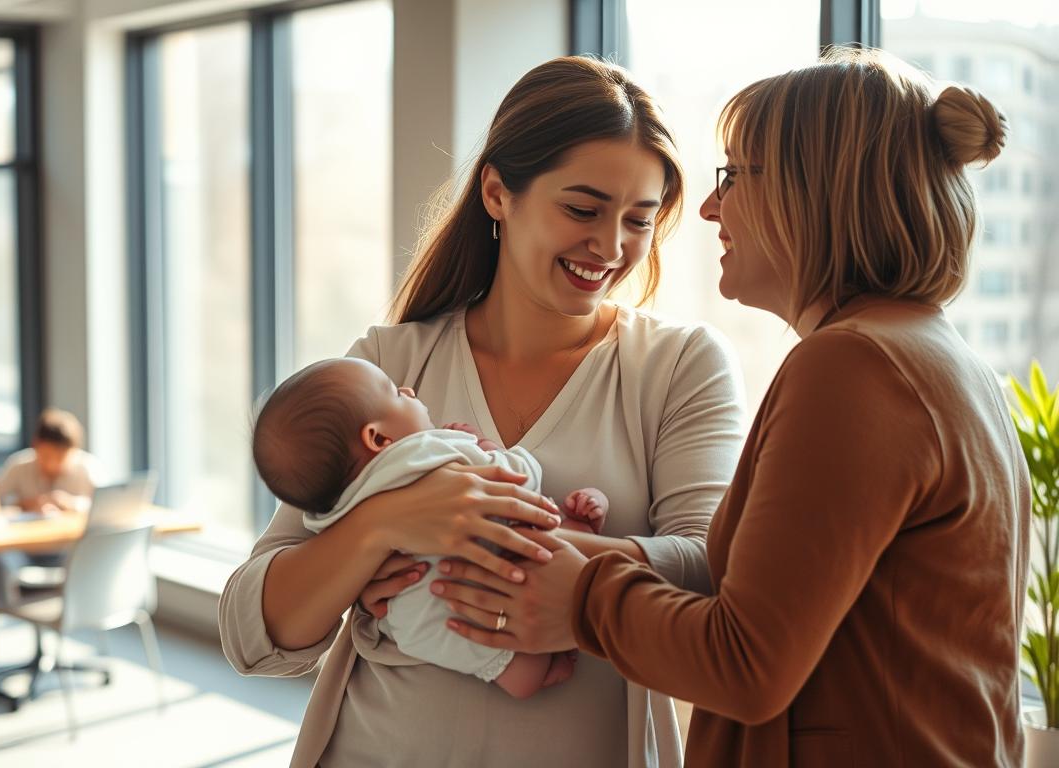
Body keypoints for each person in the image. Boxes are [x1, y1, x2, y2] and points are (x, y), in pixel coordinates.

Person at [438, 48, 1028, 766]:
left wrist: (583, 593)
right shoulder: (934, 359)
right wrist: (581, 557)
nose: (713, 207)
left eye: (734, 176)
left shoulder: (855, 367)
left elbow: (746, 665)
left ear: (814, 192)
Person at [220, 56, 747, 767]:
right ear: (498, 192)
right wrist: (383, 524)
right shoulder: (388, 365)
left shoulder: (678, 367)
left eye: (639, 221)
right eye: (583, 209)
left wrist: (543, 568)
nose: (611, 246)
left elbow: (711, 573)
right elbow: (252, 632)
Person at [252, 356, 605, 698]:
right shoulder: (424, 450)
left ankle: (529, 671)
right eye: (394, 392)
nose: (407, 390)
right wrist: (487, 448)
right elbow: (517, 483)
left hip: (417, 620)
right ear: (378, 440)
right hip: (500, 576)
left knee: (488, 652)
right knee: (544, 529)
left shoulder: (334, 510)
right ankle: (580, 530)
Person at [0, 408, 102, 515]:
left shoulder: (89, 467)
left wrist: (71, 503)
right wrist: (23, 504)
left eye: (61, 458)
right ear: (35, 446)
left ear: (74, 451)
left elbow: (105, 504)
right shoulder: (19, 464)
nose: (52, 464)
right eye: (46, 456)